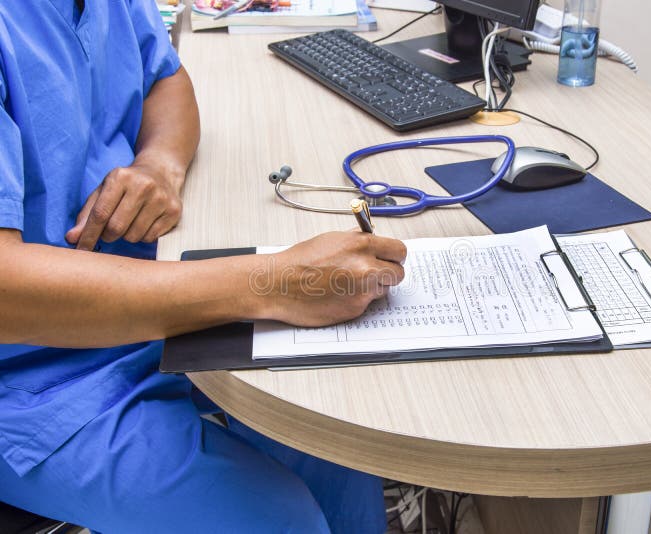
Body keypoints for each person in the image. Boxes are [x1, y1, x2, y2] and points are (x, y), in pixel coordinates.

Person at [0, 1, 406, 532]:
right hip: (34, 380)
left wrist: (159, 163)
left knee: (337, 440)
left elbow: (165, 81)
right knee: (278, 520)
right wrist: (274, 282)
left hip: (156, 302)